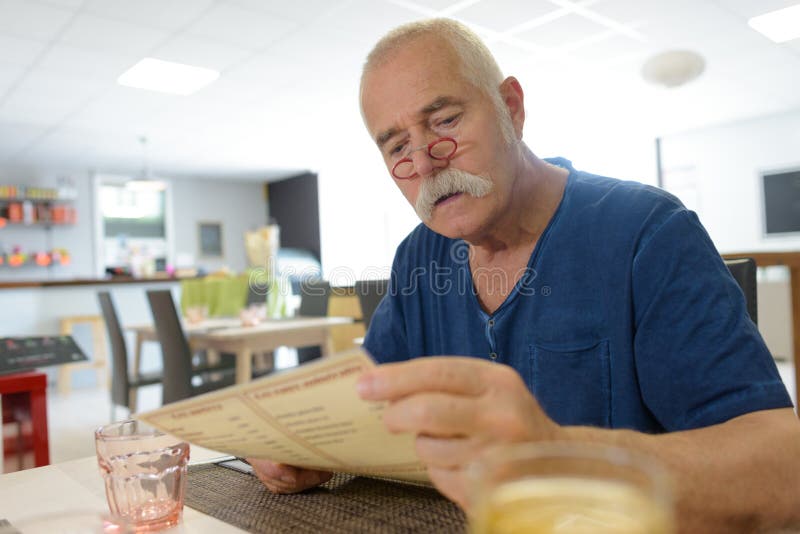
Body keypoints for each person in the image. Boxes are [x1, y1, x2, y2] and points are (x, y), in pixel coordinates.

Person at [250, 18, 800, 532]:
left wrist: (559, 455)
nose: (425, 163)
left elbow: (783, 468)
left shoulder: (646, 233)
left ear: (510, 107)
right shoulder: (418, 258)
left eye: (444, 121)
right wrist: (307, 445)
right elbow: (366, 411)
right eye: (397, 147)